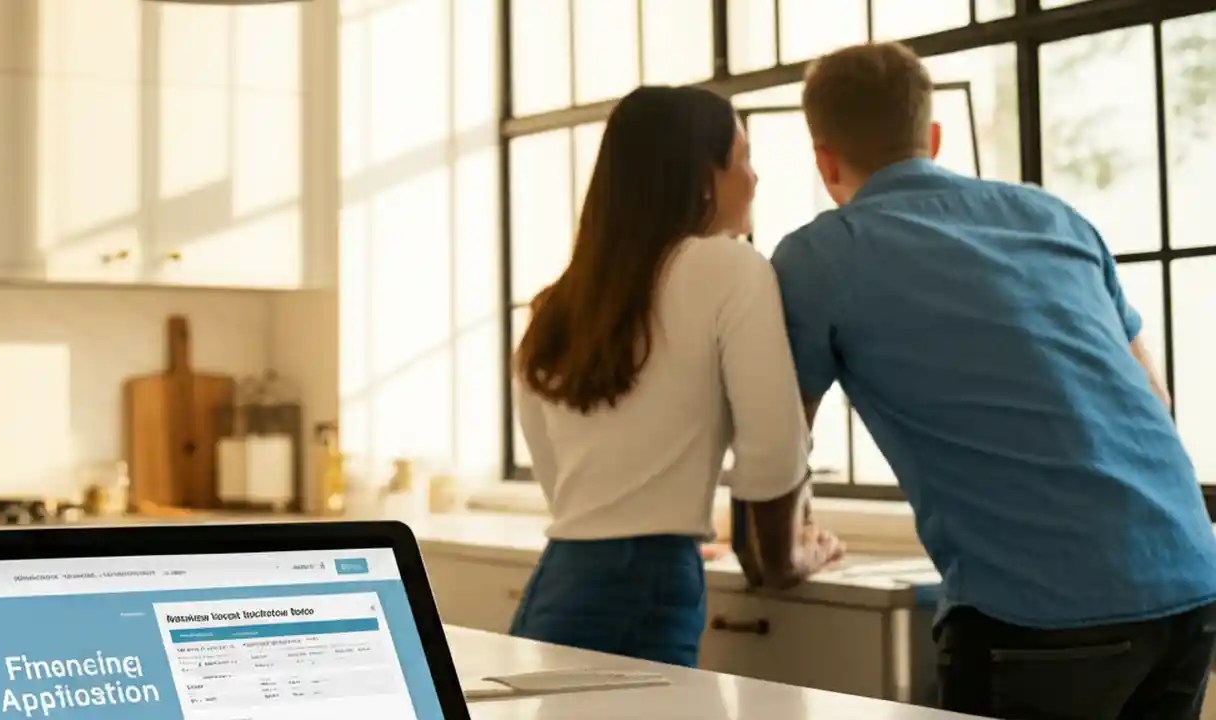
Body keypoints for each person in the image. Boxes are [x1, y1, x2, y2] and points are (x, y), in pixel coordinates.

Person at [771, 41, 1216, 719]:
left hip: (1040, 613)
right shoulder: (1052, 216)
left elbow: (780, 443)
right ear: (935, 136)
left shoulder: (821, 254)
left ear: (823, 159)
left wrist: (782, 552)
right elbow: (1154, 398)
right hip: (1189, 576)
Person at [509, 86, 845, 668]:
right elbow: (773, 444)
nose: (755, 177)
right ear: (703, 177)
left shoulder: (561, 302)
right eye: (741, 157)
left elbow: (558, 473)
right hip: (648, 585)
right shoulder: (730, 267)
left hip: (560, 577)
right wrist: (791, 559)